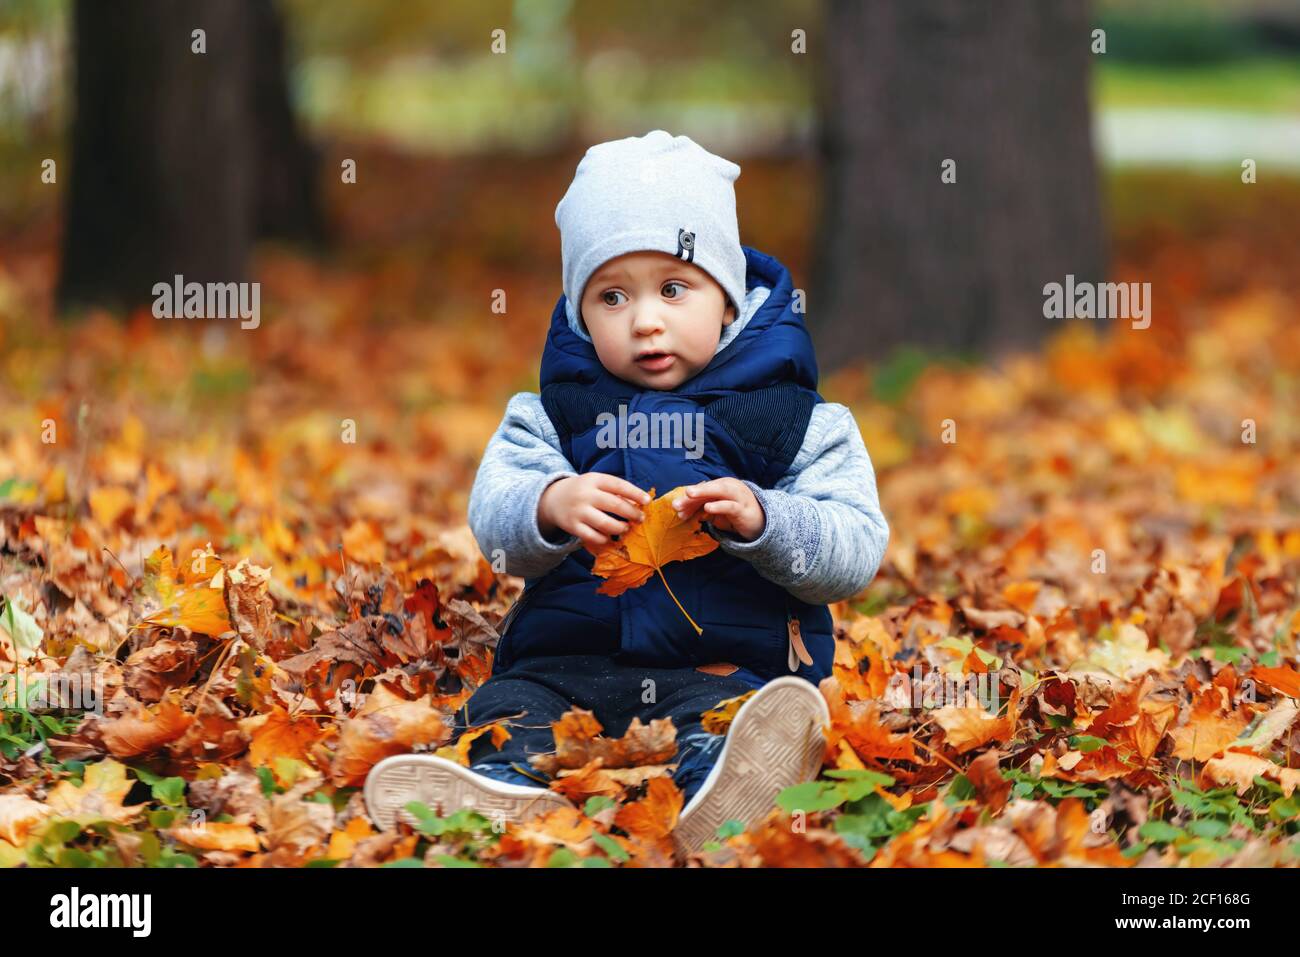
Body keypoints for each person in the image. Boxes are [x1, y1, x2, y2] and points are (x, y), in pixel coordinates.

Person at [364, 130, 890, 857]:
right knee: (507, 706)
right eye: (613, 295)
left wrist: (769, 519)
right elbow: (493, 517)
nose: (645, 320)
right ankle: (504, 786)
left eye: (674, 289)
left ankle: (729, 789)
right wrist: (551, 504)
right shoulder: (553, 414)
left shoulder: (794, 421)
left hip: (725, 664)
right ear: (581, 312)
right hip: (565, 664)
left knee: (728, 717)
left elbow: (855, 547)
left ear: (728, 300)